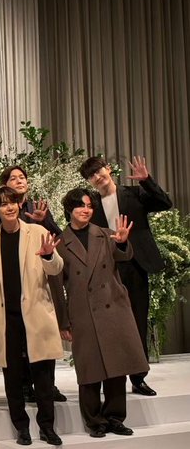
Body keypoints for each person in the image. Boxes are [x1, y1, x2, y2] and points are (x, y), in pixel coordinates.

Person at [0, 187, 64, 447]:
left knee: (43, 376)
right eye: (3, 204)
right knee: (12, 376)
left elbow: (56, 268)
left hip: (36, 314)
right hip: (6, 318)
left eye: (13, 202)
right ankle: (21, 427)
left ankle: (47, 427)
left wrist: (48, 255)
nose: (10, 207)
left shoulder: (36, 232)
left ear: (19, 205)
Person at [79, 154, 173, 396]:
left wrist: (147, 180)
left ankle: (138, 378)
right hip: (107, 267)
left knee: (137, 319)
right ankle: (113, 376)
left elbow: (165, 203)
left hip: (136, 263)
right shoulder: (92, 206)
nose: (97, 177)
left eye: (99, 171)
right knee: (111, 323)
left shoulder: (134, 193)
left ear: (108, 169)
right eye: (91, 176)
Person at [60, 188, 148, 437]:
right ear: (70, 209)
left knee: (117, 366)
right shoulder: (60, 242)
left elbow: (124, 255)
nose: (86, 210)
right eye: (81, 205)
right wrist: (63, 321)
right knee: (89, 369)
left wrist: (122, 241)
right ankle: (95, 421)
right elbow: (56, 285)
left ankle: (115, 418)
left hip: (113, 307)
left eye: (89, 206)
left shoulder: (106, 234)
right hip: (82, 311)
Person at [0, 164, 67, 403]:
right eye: (13, 178)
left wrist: (45, 222)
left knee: (42, 352)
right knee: (15, 356)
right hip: (9, 297)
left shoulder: (38, 214)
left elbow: (56, 244)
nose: (19, 181)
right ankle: (23, 390)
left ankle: (47, 391)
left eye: (22, 177)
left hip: (38, 292)